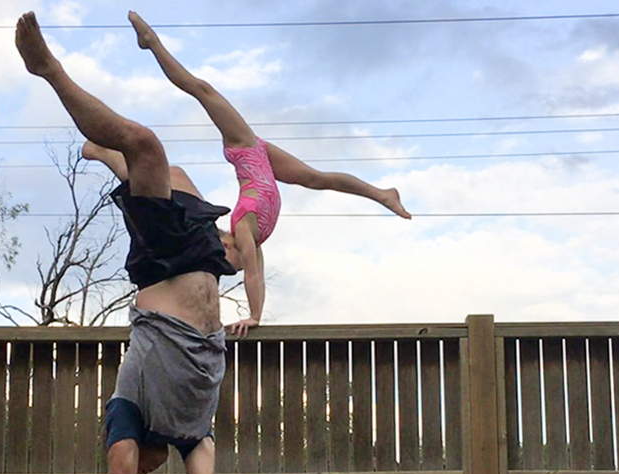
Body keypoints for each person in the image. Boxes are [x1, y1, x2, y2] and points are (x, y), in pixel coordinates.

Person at [15, 12, 226, 474]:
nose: (147, 469)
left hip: (166, 267)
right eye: (153, 467)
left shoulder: (127, 410)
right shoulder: (190, 432)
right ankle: (74, 112)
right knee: (158, 159)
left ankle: (72, 108)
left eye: (145, 467)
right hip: (190, 270)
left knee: (153, 155)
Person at [125, 11, 413, 338]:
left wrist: (254, 314)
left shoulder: (240, 225)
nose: (229, 256)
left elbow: (251, 275)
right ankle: (382, 194)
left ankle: (152, 43)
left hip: (245, 148)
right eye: (231, 260)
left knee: (204, 91)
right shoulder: (253, 238)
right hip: (261, 159)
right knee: (316, 179)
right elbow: (255, 274)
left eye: (228, 256)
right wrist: (255, 316)